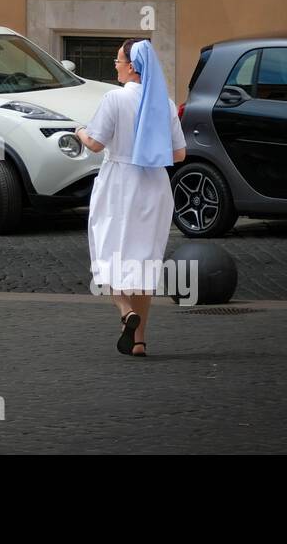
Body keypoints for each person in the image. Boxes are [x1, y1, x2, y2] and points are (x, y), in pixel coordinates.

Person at [75, 39, 186, 357]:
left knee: (109, 251)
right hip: (153, 186)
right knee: (144, 260)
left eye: (118, 61)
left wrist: (79, 131)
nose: (116, 65)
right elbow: (179, 153)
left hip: (120, 182)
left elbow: (95, 144)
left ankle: (125, 311)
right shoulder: (162, 103)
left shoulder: (114, 99)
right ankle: (139, 341)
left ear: (132, 66)